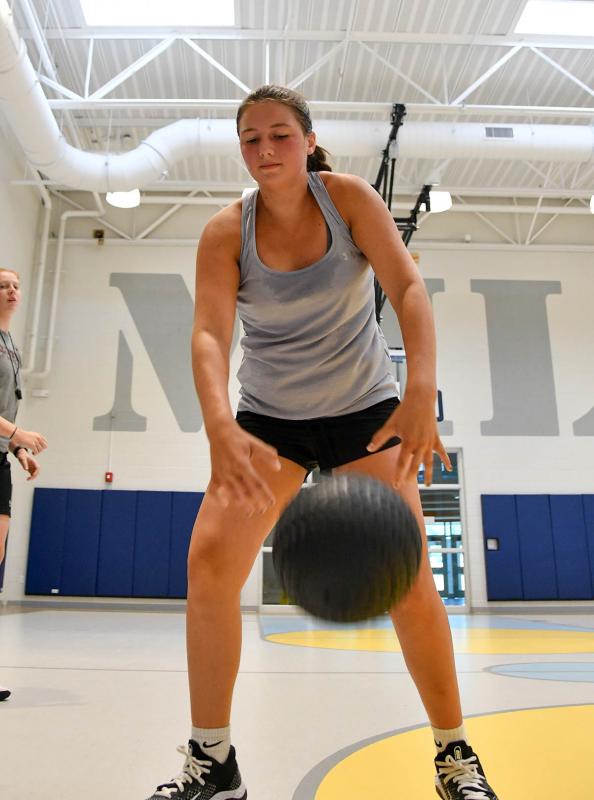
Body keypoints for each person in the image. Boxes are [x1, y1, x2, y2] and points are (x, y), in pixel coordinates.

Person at [145, 86, 498, 800]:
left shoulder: (350, 201)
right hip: (269, 419)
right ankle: (214, 764)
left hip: (365, 412)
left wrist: (420, 392)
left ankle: (455, 756)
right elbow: (211, 334)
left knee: (409, 581)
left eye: (279, 135)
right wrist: (218, 423)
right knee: (210, 565)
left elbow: (407, 288)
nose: (265, 150)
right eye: (250, 139)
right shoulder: (225, 231)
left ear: (308, 141)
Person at [0, 267, 48, 702]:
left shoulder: (11, 345)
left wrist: (17, 450)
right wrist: (18, 435)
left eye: (16, 285)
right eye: (3, 285)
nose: (12, 291)